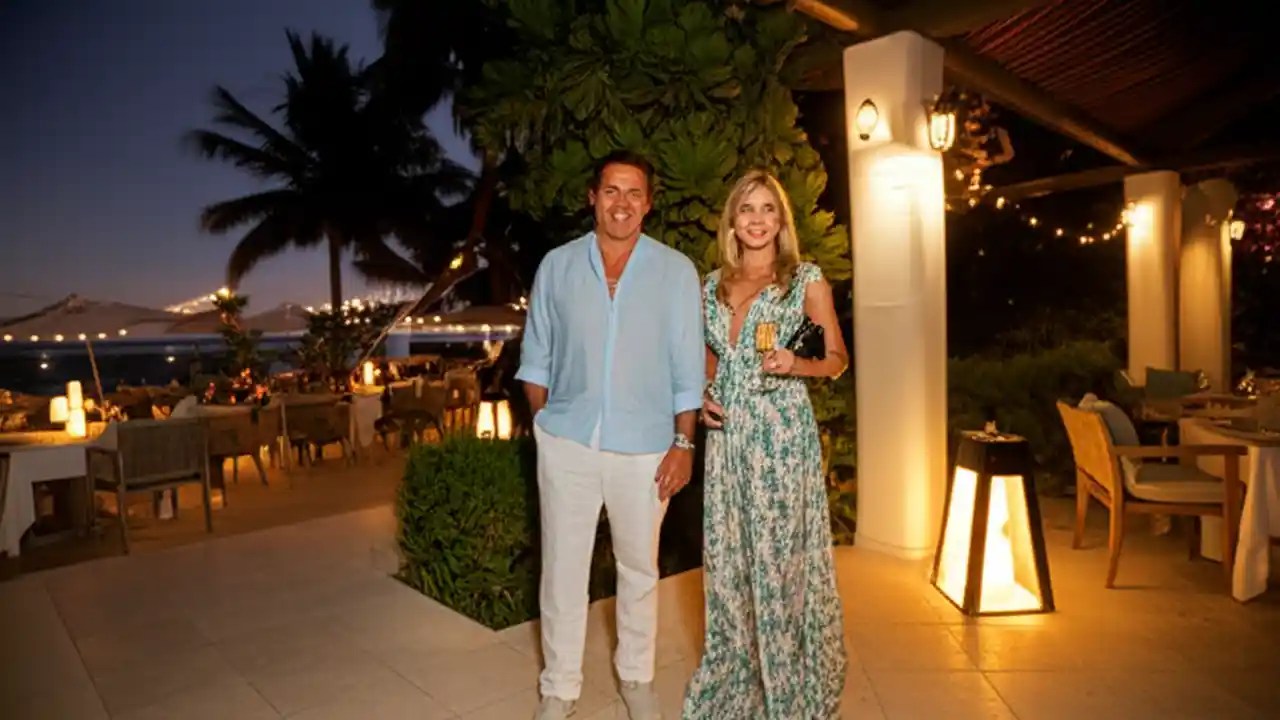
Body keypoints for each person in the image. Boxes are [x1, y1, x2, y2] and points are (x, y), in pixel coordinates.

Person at [518, 150, 705, 720]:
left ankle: (636, 677)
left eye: (633, 193)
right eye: (611, 191)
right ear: (592, 198)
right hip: (568, 441)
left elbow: (686, 365)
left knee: (639, 569)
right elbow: (536, 358)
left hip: (647, 448)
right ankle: (559, 686)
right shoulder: (557, 266)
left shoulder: (675, 271)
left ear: (648, 204)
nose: (621, 203)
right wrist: (546, 427)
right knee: (563, 569)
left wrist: (684, 442)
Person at [682, 170, 849, 719]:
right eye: (746, 209)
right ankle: (736, 679)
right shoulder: (711, 285)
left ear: (781, 221)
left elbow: (836, 359)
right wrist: (705, 394)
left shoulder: (803, 281)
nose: (756, 219)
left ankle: (788, 688)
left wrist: (795, 362)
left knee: (778, 567)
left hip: (780, 441)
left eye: (767, 209)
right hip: (728, 443)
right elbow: (712, 356)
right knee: (730, 566)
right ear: (732, 220)